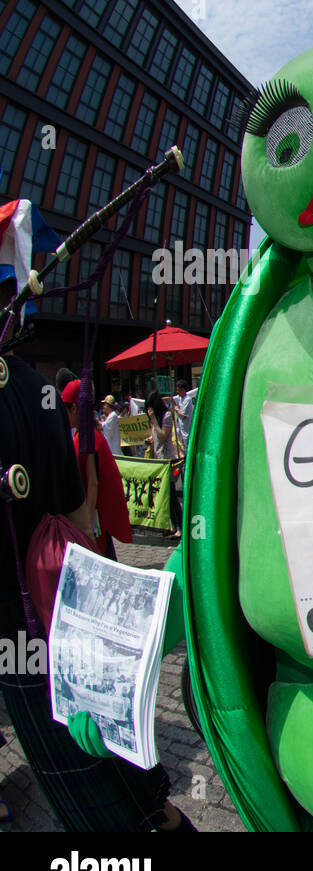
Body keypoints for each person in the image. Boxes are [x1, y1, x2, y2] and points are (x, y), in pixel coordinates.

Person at [1, 354, 192, 831]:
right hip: (65, 598)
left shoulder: (37, 395)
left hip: (25, 621)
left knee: (90, 787)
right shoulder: (32, 385)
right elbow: (82, 514)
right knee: (111, 763)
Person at [62, 380, 131, 559]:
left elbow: (93, 483)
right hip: (93, 518)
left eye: (66, 409)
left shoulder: (86, 437)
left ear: (75, 408)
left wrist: (87, 524)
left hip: (93, 520)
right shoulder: (85, 434)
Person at [145, 391, 182, 539]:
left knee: (172, 495)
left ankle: (180, 526)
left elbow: (163, 436)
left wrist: (153, 419)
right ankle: (173, 525)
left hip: (168, 461)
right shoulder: (158, 418)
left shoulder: (166, 416)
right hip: (159, 460)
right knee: (166, 495)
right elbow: (156, 437)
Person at [172, 380, 196, 455]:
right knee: (182, 448)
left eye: (178, 390)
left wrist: (176, 409)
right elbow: (171, 399)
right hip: (181, 430)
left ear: (183, 390)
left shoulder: (187, 400)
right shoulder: (180, 398)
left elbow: (183, 416)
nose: (177, 392)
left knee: (187, 449)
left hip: (187, 430)